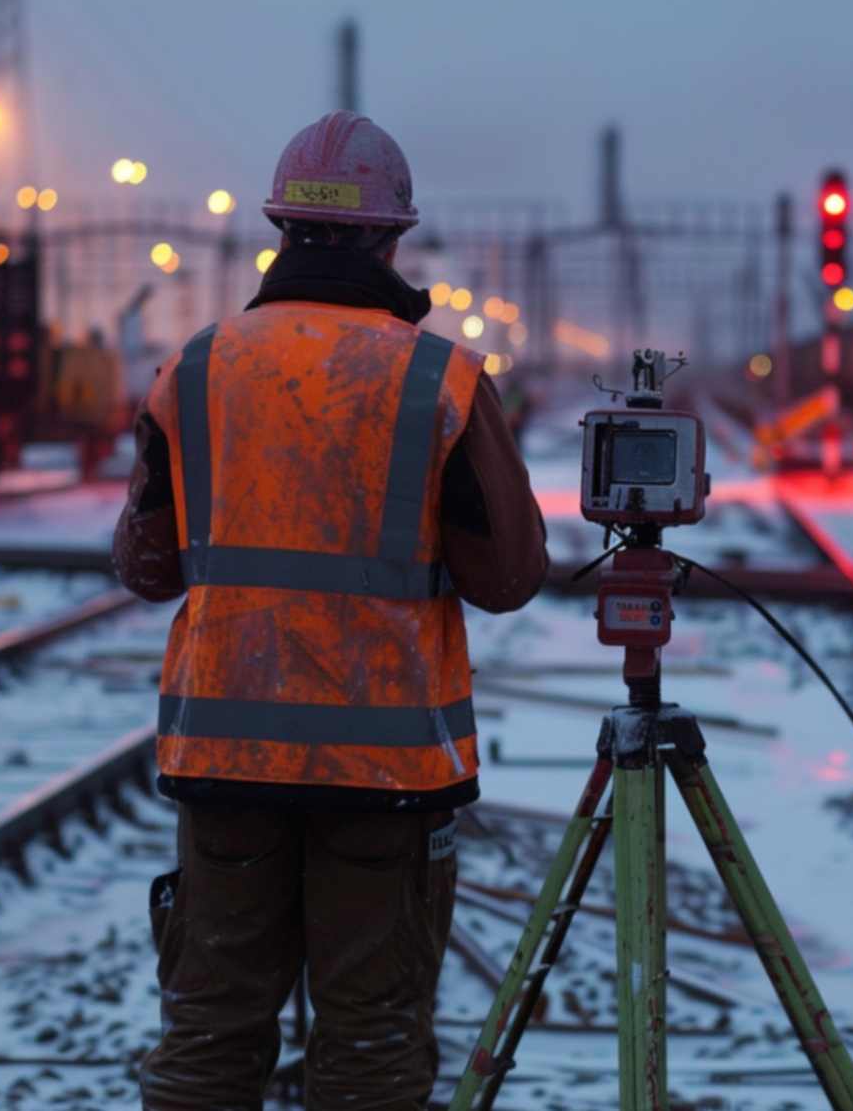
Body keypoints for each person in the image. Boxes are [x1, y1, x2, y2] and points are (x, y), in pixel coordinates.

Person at [111, 111, 548, 1110]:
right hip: (382, 768)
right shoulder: (440, 377)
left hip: (223, 761)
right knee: (370, 1047)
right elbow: (511, 576)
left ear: (280, 229)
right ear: (394, 238)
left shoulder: (197, 366)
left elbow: (146, 567)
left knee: (210, 1039)